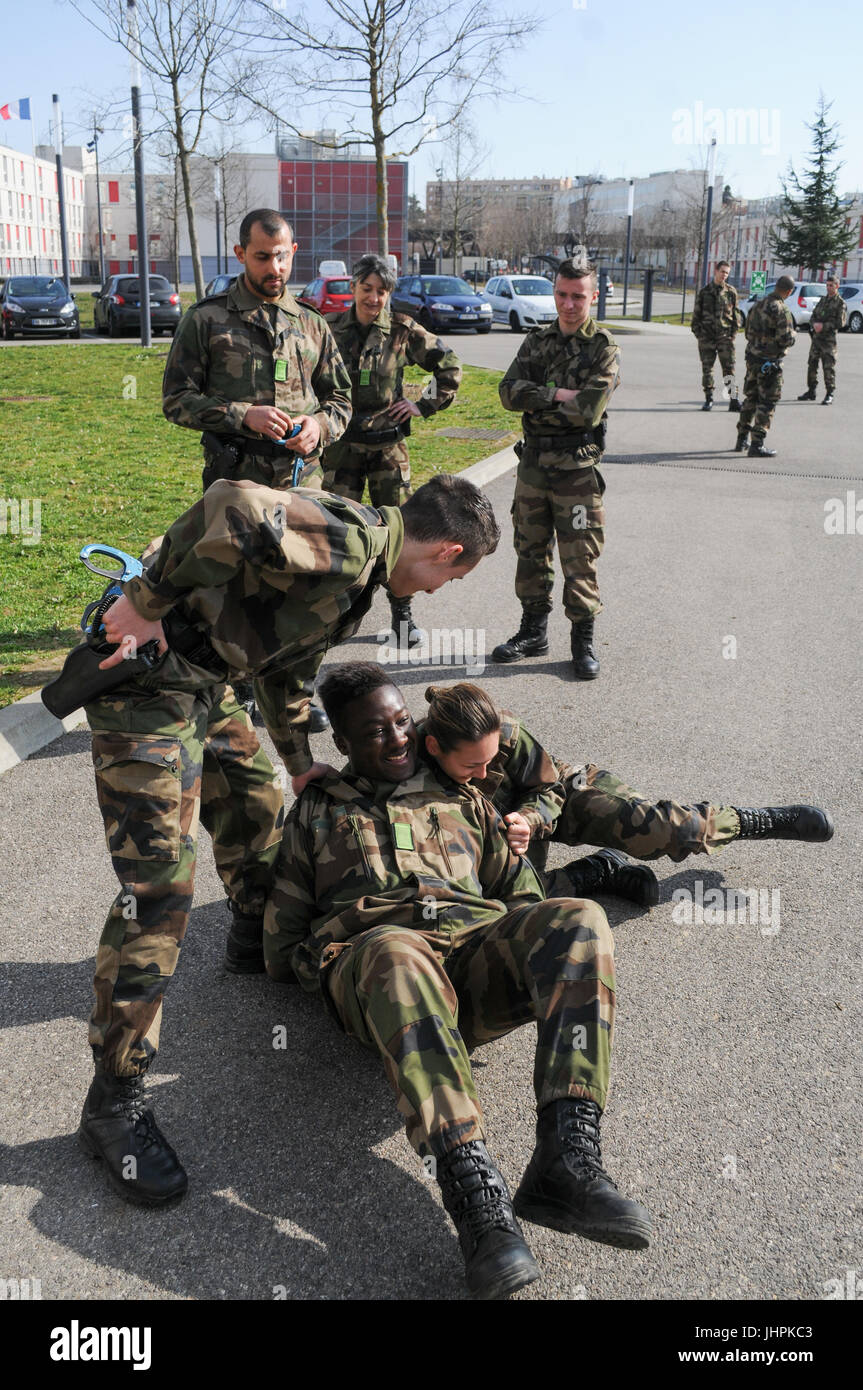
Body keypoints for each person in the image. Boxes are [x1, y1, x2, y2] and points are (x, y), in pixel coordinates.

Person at [73, 475, 500, 1208]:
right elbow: (231, 502)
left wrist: (301, 765)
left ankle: (251, 934)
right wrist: (142, 604)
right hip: (148, 691)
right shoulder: (352, 544)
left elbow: (286, 665)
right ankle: (114, 1098)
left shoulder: (360, 570)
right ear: (446, 548)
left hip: (210, 684)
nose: (434, 594)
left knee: (259, 805)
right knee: (157, 896)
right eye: (448, 577)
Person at [264, 663, 652, 1301]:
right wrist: (333, 960)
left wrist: (533, 948)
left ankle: (568, 1158)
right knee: (395, 951)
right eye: (374, 732)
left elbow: (520, 893)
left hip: (472, 965)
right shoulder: (315, 814)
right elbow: (282, 948)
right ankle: (477, 1201)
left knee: (578, 919)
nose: (397, 740)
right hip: (382, 972)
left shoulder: (459, 795)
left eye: (400, 722)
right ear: (343, 743)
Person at [162, 207, 353, 729]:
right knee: (236, 592)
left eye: (283, 255)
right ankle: (236, 696)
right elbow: (175, 399)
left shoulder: (311, 322)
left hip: (301, 486)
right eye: (264, 256)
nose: (275, 267)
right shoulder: (207, 319)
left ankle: (292, 694)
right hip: (236, 485)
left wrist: (320, 426)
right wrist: (240, 415)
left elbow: (341, 399)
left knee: (304, 590)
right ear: (241, 253)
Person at [419, 683, 834, 902]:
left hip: (562, 797)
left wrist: (530, 818)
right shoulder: (412, 774)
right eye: (473, 766)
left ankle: (754, 821)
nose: (486, 770)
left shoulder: (504, 730)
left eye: (492, 759)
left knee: (659, 830)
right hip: (499, 841)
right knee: (510, 911)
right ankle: (599, 872)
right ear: (436, 748)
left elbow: (547, 786)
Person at [323, 253, 463, 646]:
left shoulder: (402, 330)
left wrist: (424, 403)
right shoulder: (331, 328)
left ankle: (402, 615)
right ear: (353, 288)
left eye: (382, 291)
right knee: (340, 532)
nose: (374, 298)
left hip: (388, 450)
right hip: (342, 449)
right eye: (367, 289)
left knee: (399, 533)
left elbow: (449, 365)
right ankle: (334, 615)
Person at [492, 259, 619, 679]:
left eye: (578, 296)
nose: (568, 304)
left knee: (579, 554)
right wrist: (557, 393)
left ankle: (582, 642)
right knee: (529, 551)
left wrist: (540, 399)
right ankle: (533, 632)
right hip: (533, 466)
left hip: (576, 470)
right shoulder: (537, 341)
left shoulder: (603, 347)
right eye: (562, 294)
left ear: (593, 296)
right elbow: (508, 393)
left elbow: (588, 409)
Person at [735, 275, 796, 458]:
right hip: (770, 363)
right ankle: (757, 444)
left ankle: (741, 439)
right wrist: (794, 335)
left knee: (750, 399)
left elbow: (746, 333)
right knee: (767, 402)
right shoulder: (781, 309)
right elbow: (786, 339)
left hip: (753, 360)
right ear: (789, 291)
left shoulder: (757, 305)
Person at [691, 260, 741, 412]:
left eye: (727, 273)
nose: (724, 275)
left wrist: (733, 334)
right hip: (707, 338)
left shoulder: (731, 292)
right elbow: (696, 317)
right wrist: (700, 334)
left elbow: (736, 315)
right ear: (716, 271)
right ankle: (709, 399)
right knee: (708, 369)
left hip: (725, 337)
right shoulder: (704, 292)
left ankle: (733, 400)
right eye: (722, 272)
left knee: (729, 369)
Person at [798, 275, 847, 405]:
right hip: (816, 339)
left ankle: (829, 393)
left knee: (828, 367)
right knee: (812, 365)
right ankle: (811, 390)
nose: (829, 288)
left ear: (837, 286)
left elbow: (840, 322)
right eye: (827, 285)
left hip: (828, 341)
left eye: (831, 285)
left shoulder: (840, 303)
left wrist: (823, 326)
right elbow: (814, 315)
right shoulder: (823, 300)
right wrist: (814, 324)